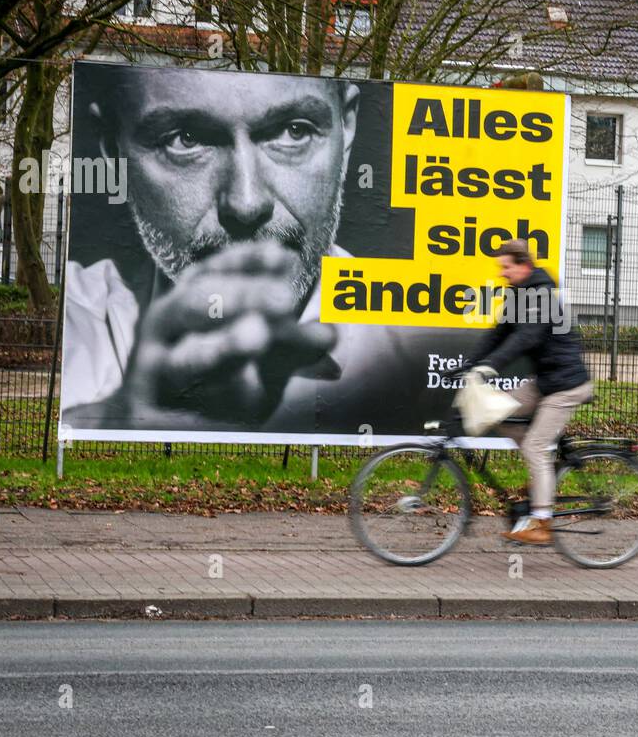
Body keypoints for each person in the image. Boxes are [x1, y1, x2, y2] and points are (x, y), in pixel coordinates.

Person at [60, 63, 409, 432]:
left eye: (294, 132)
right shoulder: (76, 319)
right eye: (186, 139)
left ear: (347, 125)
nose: (245, 204)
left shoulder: (426, 337)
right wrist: (114, 420)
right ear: (113, 150)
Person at [462, 239, 594, 545]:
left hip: (566, 385)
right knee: (502, 414)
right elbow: (499, 332)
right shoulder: (519, 294)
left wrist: (490, 366)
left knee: (535, 446)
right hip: (546, 380)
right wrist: (470, 364)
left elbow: (526, 338)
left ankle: (541, 522)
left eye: (506, 267)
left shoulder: (543, 296)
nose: (502, 273)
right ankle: (542, 478)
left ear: (524, 265)